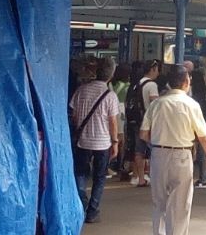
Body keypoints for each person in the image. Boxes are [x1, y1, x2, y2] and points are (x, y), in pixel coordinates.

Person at [143, 63, 206, 235]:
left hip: (158, 155)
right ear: (186, 82)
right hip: (182, 156)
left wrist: (157, 142)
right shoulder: (191, 105)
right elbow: (203, 137)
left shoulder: (157, 104)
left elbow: (143, 134)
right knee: (180, 209)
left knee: (159, 204)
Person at [68, 58, 121, 223]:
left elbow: (74, 115)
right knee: (99, 177)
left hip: (83, 141)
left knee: (80, 173)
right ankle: (93, 210)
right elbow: (113, 122)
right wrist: (115, 142)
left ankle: (81, 199)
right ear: (110, 76)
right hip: (103, 143)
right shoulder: (110, 96)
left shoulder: (81, 90)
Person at [123, 60, 160, 185]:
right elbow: (155, 105)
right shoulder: (152, 85)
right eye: (157, 69)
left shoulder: (136, 84)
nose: (158, 72)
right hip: (148, 122)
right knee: (154, 150)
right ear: (152, 69)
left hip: (136, 121)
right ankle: (153, 176)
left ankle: (140, 178)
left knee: (139, 150)